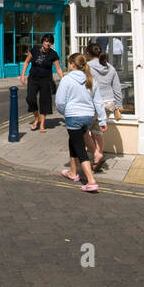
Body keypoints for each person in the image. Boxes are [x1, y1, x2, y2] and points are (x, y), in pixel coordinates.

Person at [56, 52, 107, 193]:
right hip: (88, 117)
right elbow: (98, 102)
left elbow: (60, 102)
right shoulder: (90, 79)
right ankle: (73, 172)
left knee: (79, 147)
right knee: (75, 140)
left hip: (73, 117)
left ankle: (91, 181)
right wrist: (102, 119)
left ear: (72, 64)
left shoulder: (66, 79)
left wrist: (65, 112)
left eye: (69, 62)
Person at [86, 41, 124, 167]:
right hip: (109, 103)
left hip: (93, 103)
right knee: (98, 131)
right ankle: (99, 155)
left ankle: (96, 154)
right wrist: (118, 105)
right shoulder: (110, 67)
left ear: (87, 53)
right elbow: (117, 88)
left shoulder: (87, 67)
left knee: (85, 131)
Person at [20, 33, 63, 133]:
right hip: (33, 79)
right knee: (30, 99)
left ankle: (42, 124)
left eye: (50, 42)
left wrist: (64, 79)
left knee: (44, 102)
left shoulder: (53, 54)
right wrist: (23, 75)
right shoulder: (34, 50)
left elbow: (58, 68)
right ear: (43, 41)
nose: (48, 43)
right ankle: (36, 117)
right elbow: (26, 62)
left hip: (46, 80)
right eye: (46, 41)